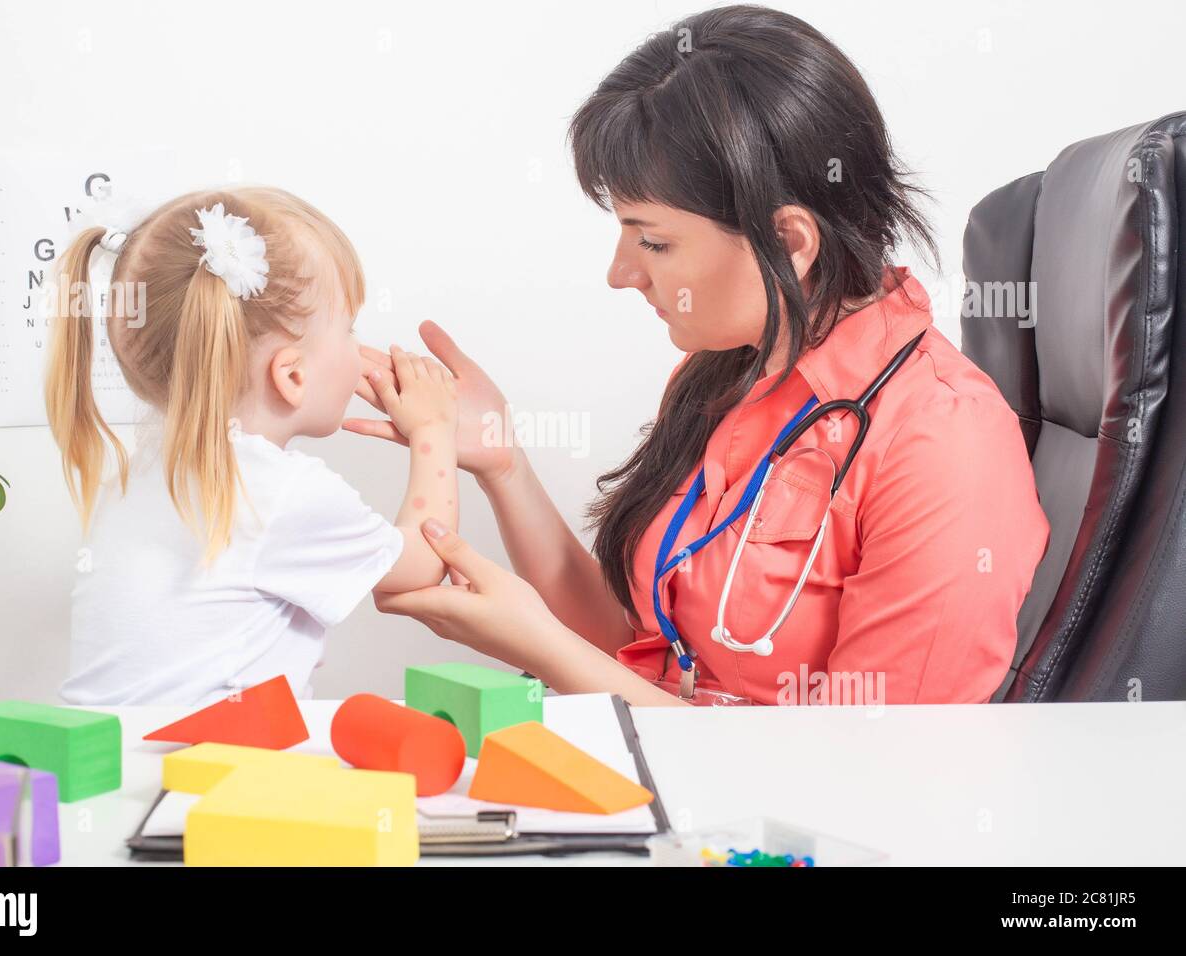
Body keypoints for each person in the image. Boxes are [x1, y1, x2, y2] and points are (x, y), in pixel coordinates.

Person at [346, 6, 1050, 706]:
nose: (622, 274)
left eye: (653, 242)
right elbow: (640, 651)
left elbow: (871, 771)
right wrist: (504, 464)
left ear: (790, 242)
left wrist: (537, 646)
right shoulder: (726, 373)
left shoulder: (942, 440)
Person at [46, 187, 457, 706]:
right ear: (291, 374)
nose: (358, 347)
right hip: (209, 770)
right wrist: (435, 432)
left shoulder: (134, 478)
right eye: (349, 329)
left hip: (110, 762)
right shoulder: (283, 491)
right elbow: (421, 565)